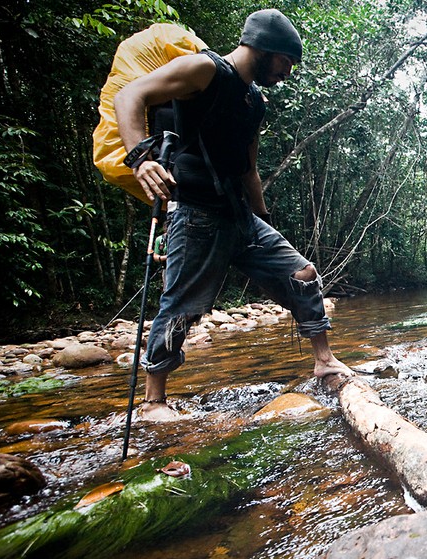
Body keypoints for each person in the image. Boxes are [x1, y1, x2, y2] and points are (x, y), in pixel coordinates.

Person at [114, 8, 351, 421]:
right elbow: (129, 96)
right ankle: (153, 401)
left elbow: (249, 167)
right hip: (195, 212)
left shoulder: (254, 102)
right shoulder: (203, 70)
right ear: (264, 48)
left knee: (302, 273)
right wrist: (140, 158)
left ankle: (324, 361)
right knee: (182, 305)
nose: (288, 73)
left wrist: (261, 220)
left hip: (239, 215)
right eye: (286, 62)